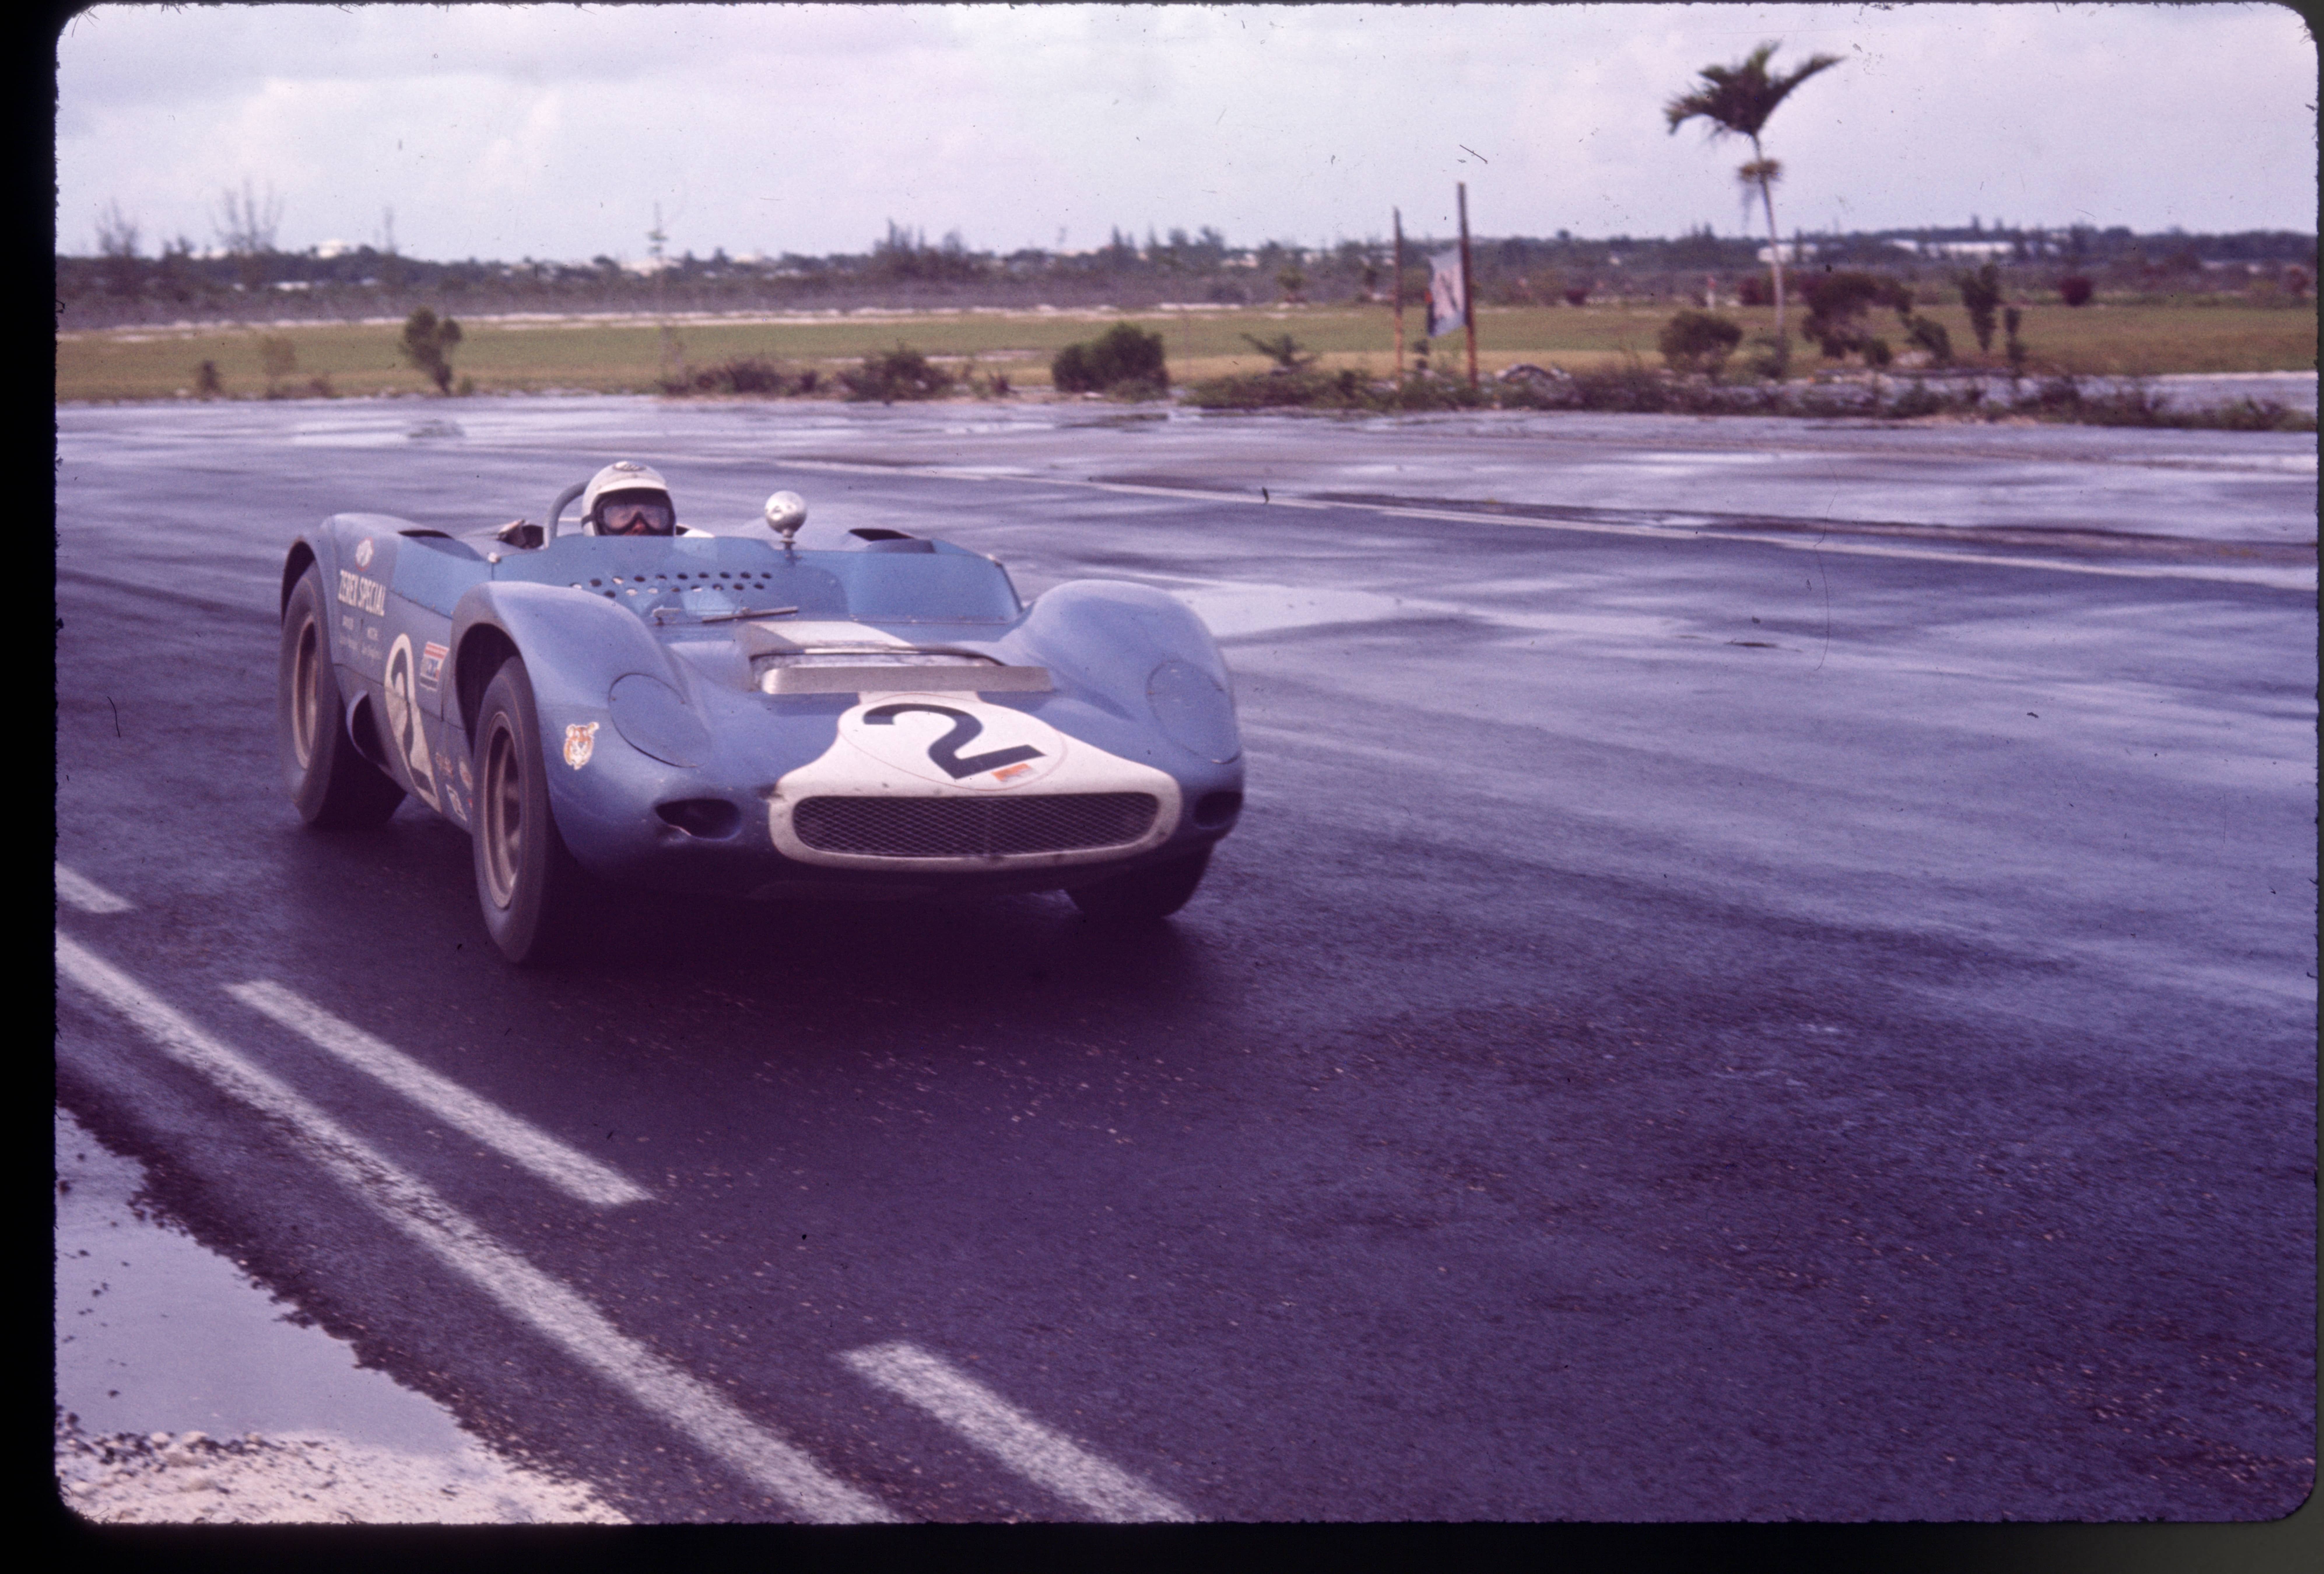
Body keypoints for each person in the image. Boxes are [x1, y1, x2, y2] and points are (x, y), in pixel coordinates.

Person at [583, 460, 680, 536]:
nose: (640, 527)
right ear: (597, 525)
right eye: (624, 517)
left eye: (651, 516)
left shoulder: (686, 562)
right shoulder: (574, 562)